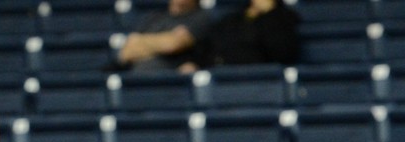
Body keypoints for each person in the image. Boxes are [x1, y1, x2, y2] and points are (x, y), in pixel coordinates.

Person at [118, 0, 299, 73]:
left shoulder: (282, 18)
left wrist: (268, 12)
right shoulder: (232, 18)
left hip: (250, 83)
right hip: (217, 78)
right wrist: (195, 64)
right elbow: (210, 48)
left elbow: (283, 54)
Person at [115, 0, 212, 72]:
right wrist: (164, 40)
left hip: (170, 82)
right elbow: (126, 53)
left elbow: (173, 44)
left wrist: (141, 42)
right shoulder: (153, 18)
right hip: (137, 81)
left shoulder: (201, 17)